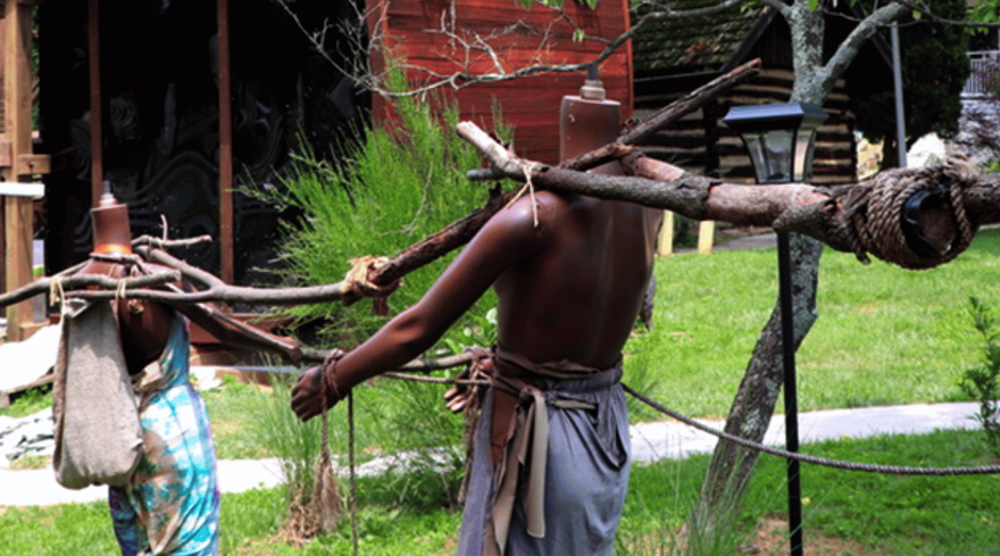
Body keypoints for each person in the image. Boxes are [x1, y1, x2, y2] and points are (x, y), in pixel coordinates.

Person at [291, 78, 661, 555]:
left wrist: (335, 378)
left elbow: (419, 326)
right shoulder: (647, 208)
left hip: (540, 443)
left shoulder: (533, 217)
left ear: (565, 125)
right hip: (605, 432)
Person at [80, 189, 220, 556]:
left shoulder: (80, 283)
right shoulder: (154, 277)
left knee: (136, 546)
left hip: (120, 431)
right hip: (173, 430)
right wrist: (285, 345)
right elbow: (221, 324)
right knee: (188, 545)